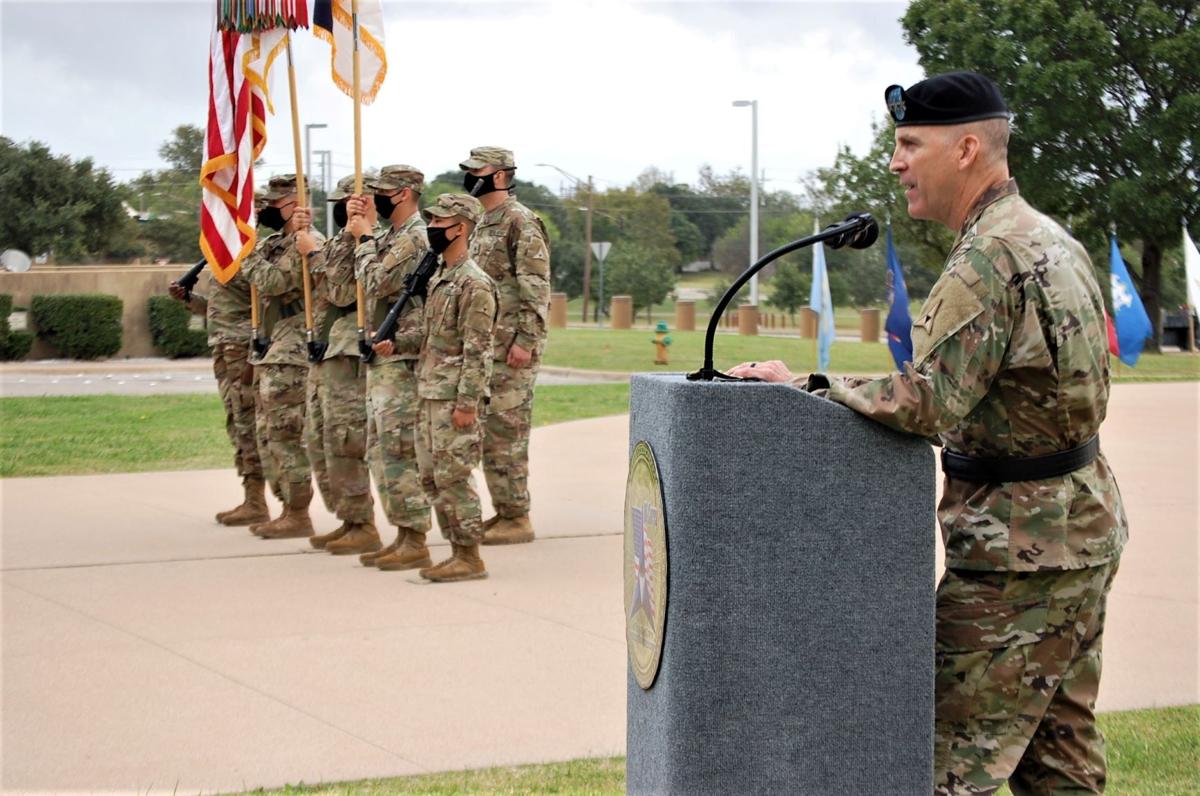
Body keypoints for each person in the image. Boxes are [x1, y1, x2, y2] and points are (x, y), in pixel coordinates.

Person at [731, 72, 1127, 795]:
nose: (895, 161)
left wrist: (805, 386)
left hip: (1018, 558)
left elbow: (926, 401)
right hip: (1080, 530)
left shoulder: (988, 257)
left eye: (911, 144)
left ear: (968, 148)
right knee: (1059, 763)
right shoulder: (1049, 238)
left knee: (936, 768)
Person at [344, 164, 435, 571]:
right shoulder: (392, 237)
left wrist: (363, 238)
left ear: (402, 194)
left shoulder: (415, 237)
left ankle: (415, 535)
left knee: (398, 448)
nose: (374, 198)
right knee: (380, 451)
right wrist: (366, 234)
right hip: (383, 354)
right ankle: (401, 531)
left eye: (380, 191)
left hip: (402, 357)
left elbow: (375, 281)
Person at [459, 147, 550, 545]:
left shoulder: (520, 221)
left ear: (499, 176)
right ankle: (505, 510)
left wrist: (526, 341)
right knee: (491, 433)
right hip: (487, 346)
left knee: (506, 433)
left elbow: (536, 286)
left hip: (512, 347)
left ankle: (516, 516)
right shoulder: (483, 222)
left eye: (475, 171)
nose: (468, 176)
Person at [413, 193, 497, 582]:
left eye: (438, 223)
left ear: (459, 228)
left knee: (454, 476)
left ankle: (469, 555)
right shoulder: (440, 278)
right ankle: (454, 549)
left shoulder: (474, 284)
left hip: (453, 400)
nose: (431, 229)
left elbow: (477, 351)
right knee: (432, 477)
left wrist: (467, 403)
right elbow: (435, 337)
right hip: (430, 392)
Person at [295, 176, 380, 555]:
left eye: (351, 202)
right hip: (329, 349)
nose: (345, 209)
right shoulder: (343, 241)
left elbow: (345, 292)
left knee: (347, 440)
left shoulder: (373, 241)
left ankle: (363, 523)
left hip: (350, 353)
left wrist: (314, 255)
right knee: (324, 439)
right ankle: (349, 518)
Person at [241, 174, 322, 540]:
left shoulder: (309, 243)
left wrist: (246, 254)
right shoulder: (278, 243)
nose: (266, 210)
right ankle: (284, 505)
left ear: (292, 205)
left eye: (273, 205)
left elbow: (274, 282)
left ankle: (298, 511)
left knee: (286, 434)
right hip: (272, 346)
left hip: (292, 352)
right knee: (267, 435)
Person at [168, 259, 277, 526]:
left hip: (242, 347)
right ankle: (251, 497)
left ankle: (258, 501)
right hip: (224, 346)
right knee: (236, 420)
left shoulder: (250, 260)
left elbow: (266, 305)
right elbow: (219, 310)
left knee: (246, 419)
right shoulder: (224, 260)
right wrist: (190, 299)